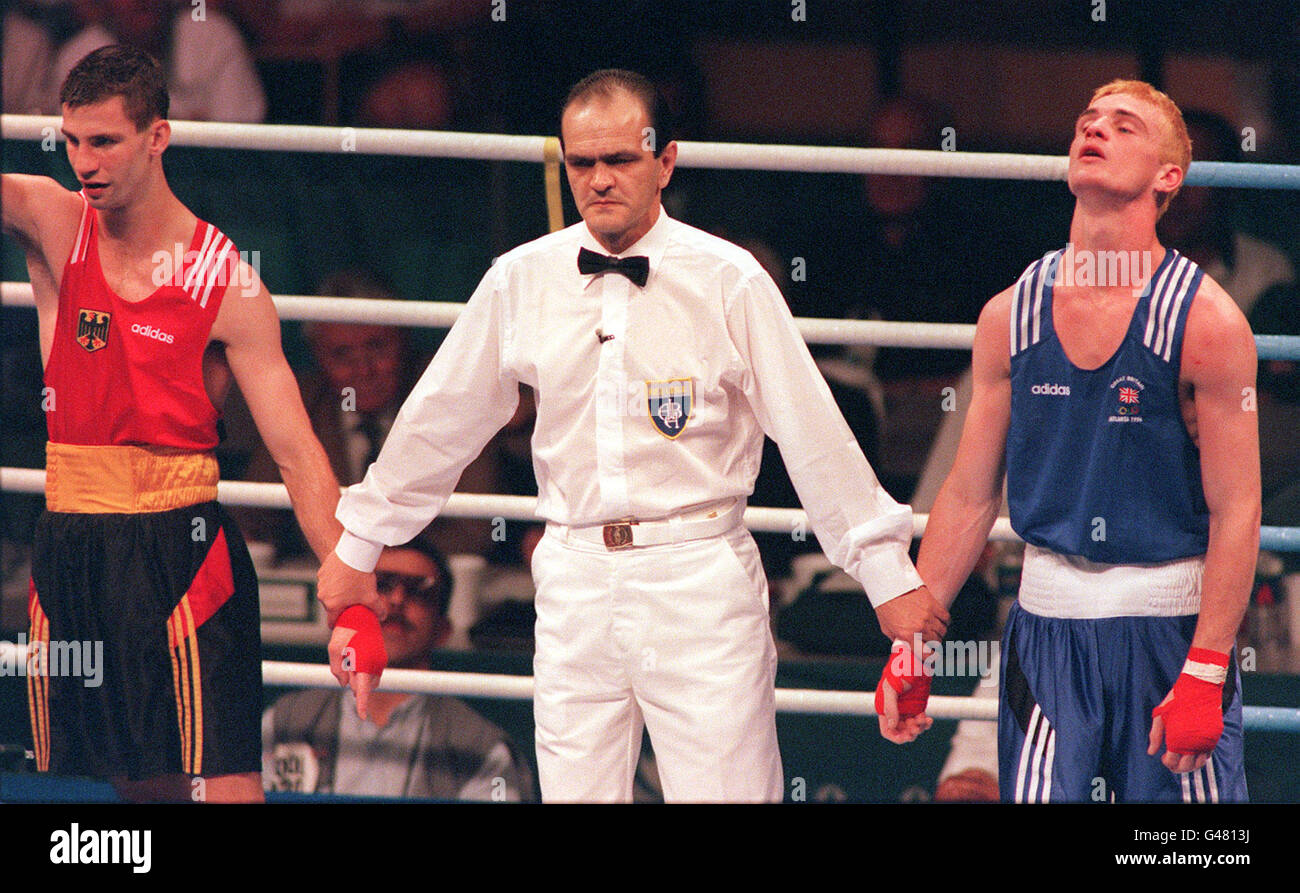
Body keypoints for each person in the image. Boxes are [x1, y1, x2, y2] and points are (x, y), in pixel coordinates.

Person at [317, 68, 945, 803]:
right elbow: (436, 424)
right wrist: (356, 549)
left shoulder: (729, 279)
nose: (600, 179)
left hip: (699, 576)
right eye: (583, 162)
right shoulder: (521, 279)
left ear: (665, 161)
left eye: (620, 159)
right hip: (574, 575)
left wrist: (885, 573)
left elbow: (813, 434)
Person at [884, 80, 1258, 803]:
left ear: (1168, 177)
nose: (1095, 129)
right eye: (1087, 119)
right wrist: (913, 640)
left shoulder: (1206, 322)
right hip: (1044, 636)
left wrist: (1207, 666)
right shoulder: (1009, 315)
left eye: (1124, 125)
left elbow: (1237, 507)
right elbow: (967, 492)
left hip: (1167, 629)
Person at [1, 45, 356, 802]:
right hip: (72, 537)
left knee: (226, 779)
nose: (83, 162)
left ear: (157, 136)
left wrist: (348, 588)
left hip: (181, 545)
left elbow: (296, 449)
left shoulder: (223, 278)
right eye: (70, 141)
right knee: (138, 786)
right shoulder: (54, 221)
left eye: (105, 141)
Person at [263, 539, 534, 800]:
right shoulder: (284, 721)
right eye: (381, 584)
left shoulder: (481, 747)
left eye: (419, 591)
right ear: (340, 617)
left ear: (443, 630)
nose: (397, 600)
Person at [47, 0, 267, 123]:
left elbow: (239, 134)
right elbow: (78, 140)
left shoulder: (213, 35)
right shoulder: (77, 55)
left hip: (213, 181)